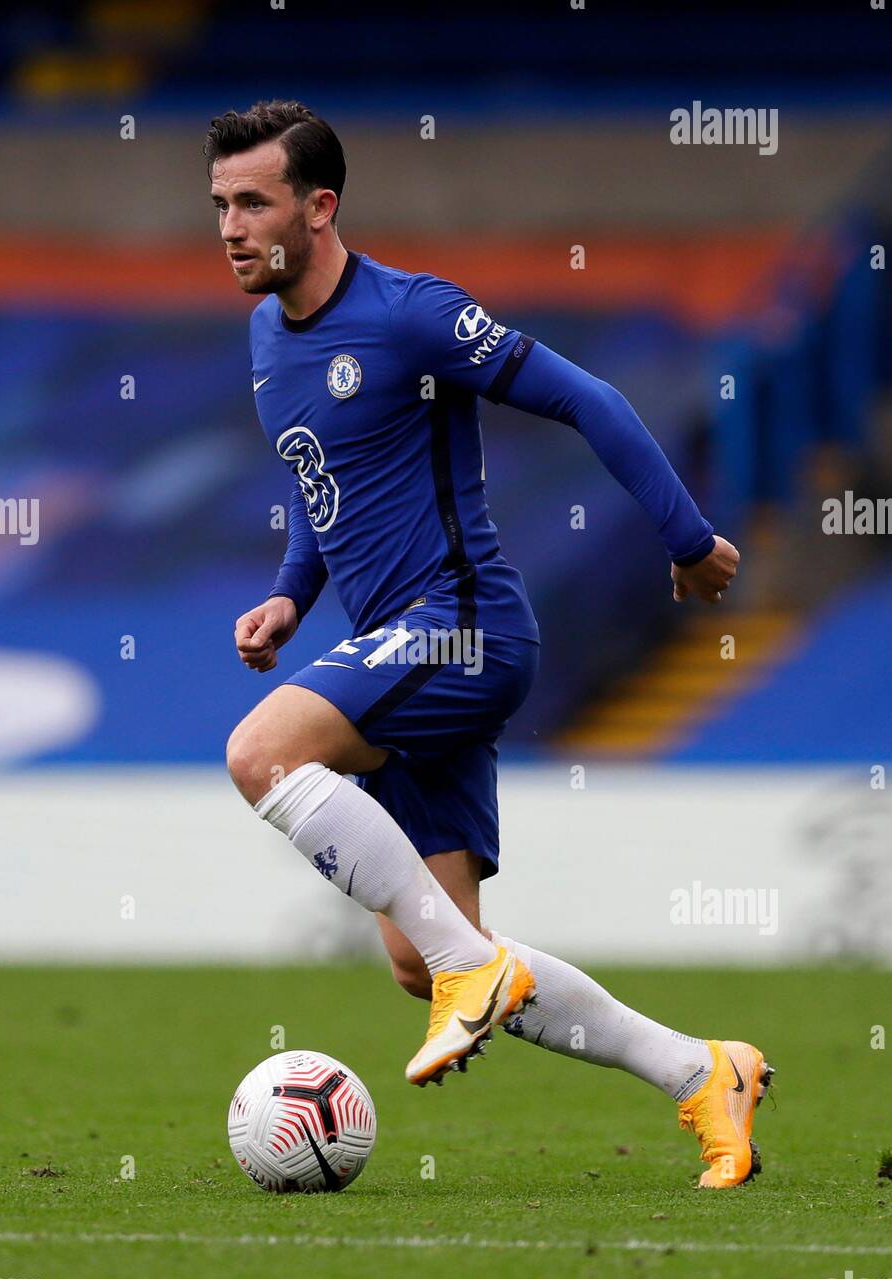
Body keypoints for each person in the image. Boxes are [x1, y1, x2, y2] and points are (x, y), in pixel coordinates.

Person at [206, 100, 771, 1188]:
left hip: (463, 627)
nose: (230, 225)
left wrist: (690, 539)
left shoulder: (412, 316)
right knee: (426, 959)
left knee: (261, 754)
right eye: (221, 204)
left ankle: (478, 973)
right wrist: (290, 594)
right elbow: (317, 472)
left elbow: (587, 396)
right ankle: (705, 1073)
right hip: (396, 649)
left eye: (253, 202)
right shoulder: (268, 331)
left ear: (318, 208)